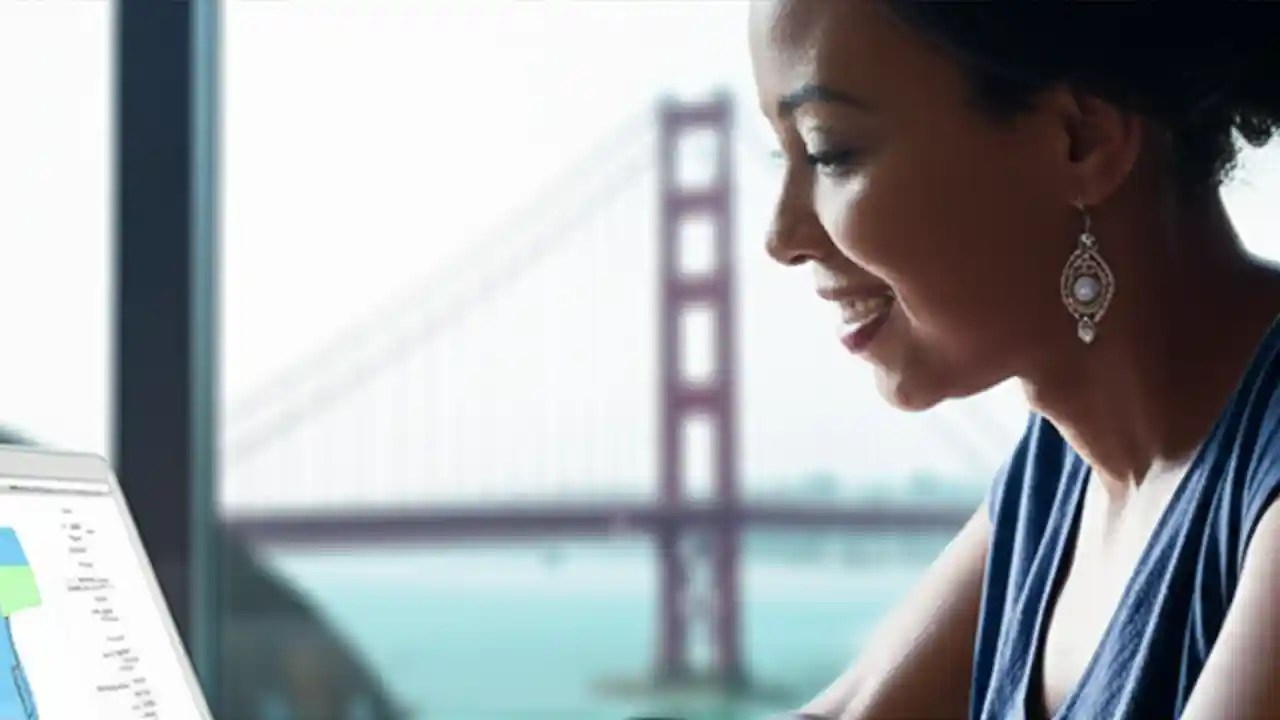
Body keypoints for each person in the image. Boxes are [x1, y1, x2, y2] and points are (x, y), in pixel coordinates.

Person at [749, 2, 1280, 718]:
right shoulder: (1064, 469)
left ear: (1080, 141)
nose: (782, 237)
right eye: (784, 157)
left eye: (831, 152)